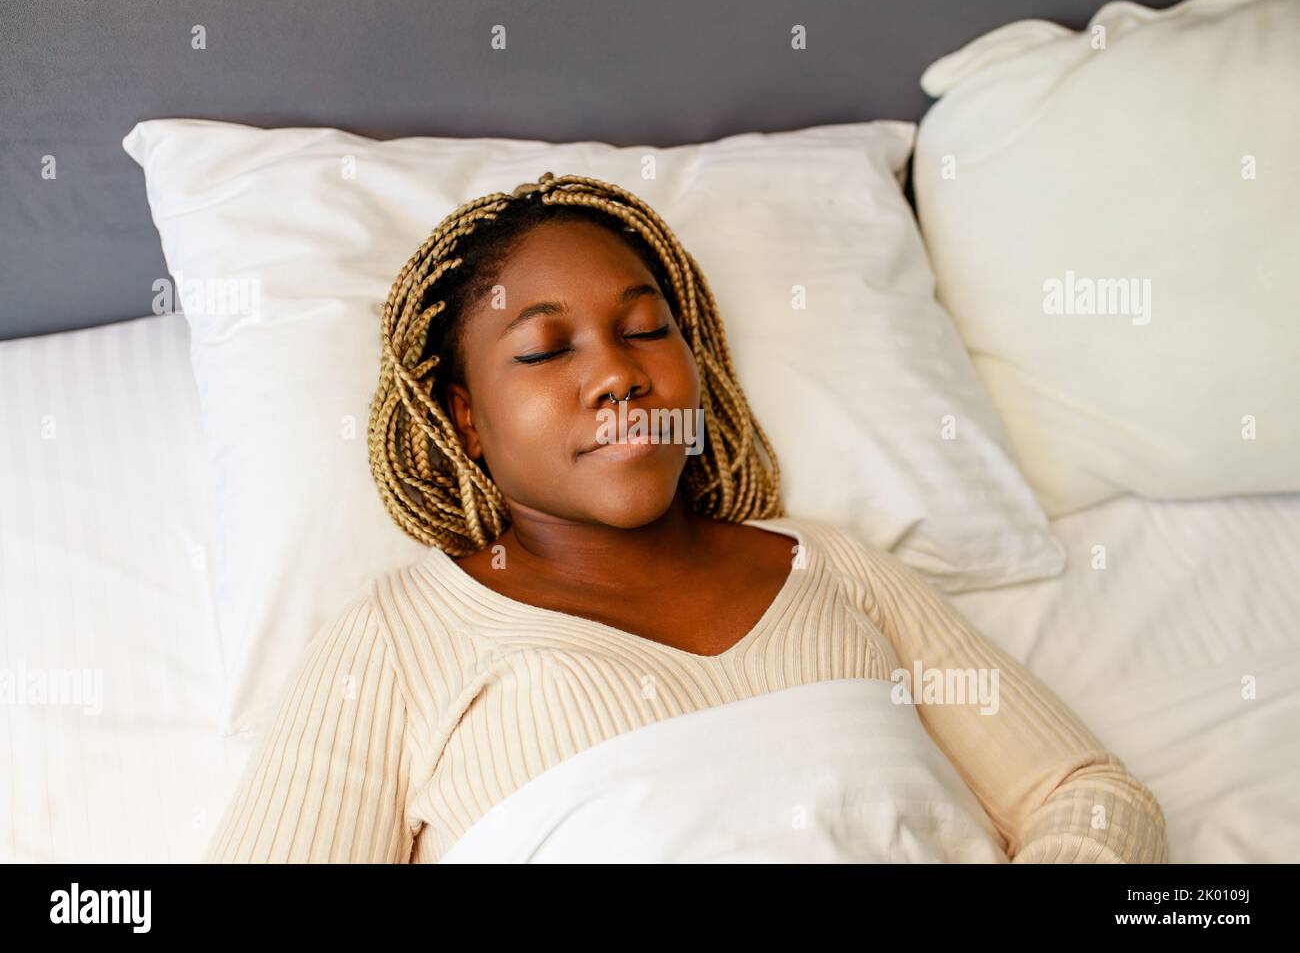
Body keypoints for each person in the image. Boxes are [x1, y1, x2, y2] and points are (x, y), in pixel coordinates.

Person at [203, 172, 1168, 863]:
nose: (619, 372)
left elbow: (1084, 794)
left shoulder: (829, 566)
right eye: (544, 350)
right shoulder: (397, 638)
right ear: (468, 420)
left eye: (645, 329)